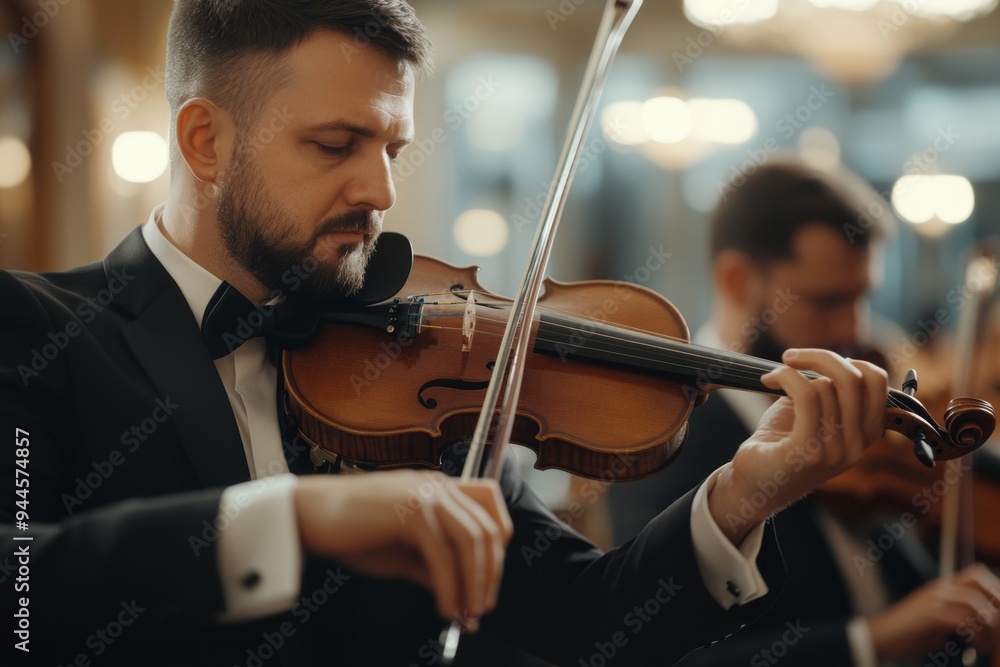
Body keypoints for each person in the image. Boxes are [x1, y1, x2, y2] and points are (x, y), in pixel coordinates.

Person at [0, 3, 918, 665]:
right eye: (334, 145)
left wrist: (742, 495)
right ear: (204, 141)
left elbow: (588, 625)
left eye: (392, 149)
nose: (381, 192)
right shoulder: (39, 331)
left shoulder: (421, 377)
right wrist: (295, 517)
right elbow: (19, 598)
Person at [608, 159, 1000, 666]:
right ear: (735, 280)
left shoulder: (870, 427)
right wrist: (873, 641)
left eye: (861, 298)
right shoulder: (662, 433)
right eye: (827, 301)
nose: (854, 329)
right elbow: (659, 654)